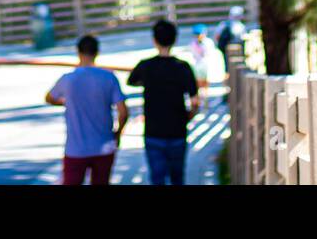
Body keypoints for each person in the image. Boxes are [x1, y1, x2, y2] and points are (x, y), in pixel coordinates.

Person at [45, 34, 129, 185]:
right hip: (104, 145)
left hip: (76, 149)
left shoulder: (68, 79)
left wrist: (66, 102)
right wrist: (117, 133)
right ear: (97, 52)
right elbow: (123, 112)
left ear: (78, 52)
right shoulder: (109, 77)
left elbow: (49, 98)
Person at [128, 19, 200, 185]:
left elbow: (131, 80)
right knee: (177, 177)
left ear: (154, 40)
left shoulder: (145, 66)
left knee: (157, 178)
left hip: (153, 132)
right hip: (177, 131)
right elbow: (195, 101)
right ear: (175, 39)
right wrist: (189, 116)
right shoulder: (183, 67)